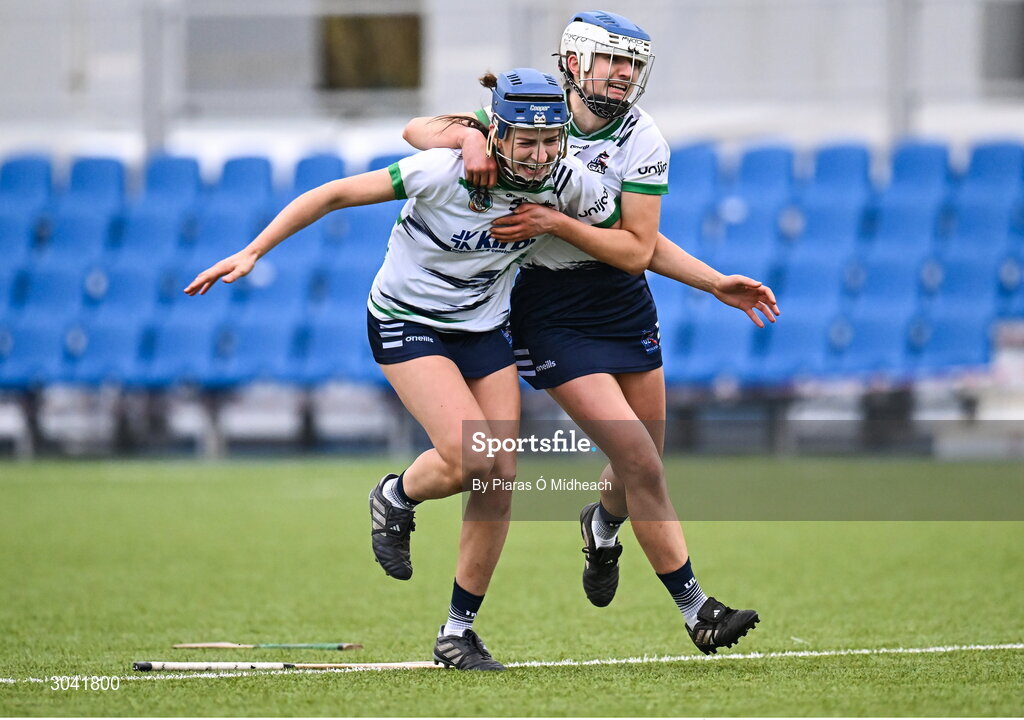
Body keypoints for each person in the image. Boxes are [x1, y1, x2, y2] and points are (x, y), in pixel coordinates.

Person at [185, 68, 631, 671]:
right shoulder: (445, 169)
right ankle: (395, 495)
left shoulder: (569, 183)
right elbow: (334, 194)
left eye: (551, 140)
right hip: (406, 319)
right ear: (496, 133)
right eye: (525, 141)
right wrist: (253, 251)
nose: (540, 154)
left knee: (499, 478)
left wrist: (707, 282)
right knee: (473, 457)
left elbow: (636, 245)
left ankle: (457, 632)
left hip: (483, 327)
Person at [402, 11, 779, 655]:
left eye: (633, 64)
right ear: (574, 62)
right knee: (636, 456)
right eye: (613, 61)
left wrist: (713, 281)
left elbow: (635, 250)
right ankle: (697, 610)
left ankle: (604, 528)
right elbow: (416, 127)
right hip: (547, 308)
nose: (625, 75)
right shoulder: (532, 109)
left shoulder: (644, 137)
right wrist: (467, 142)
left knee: (643, 461)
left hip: (621, 300)